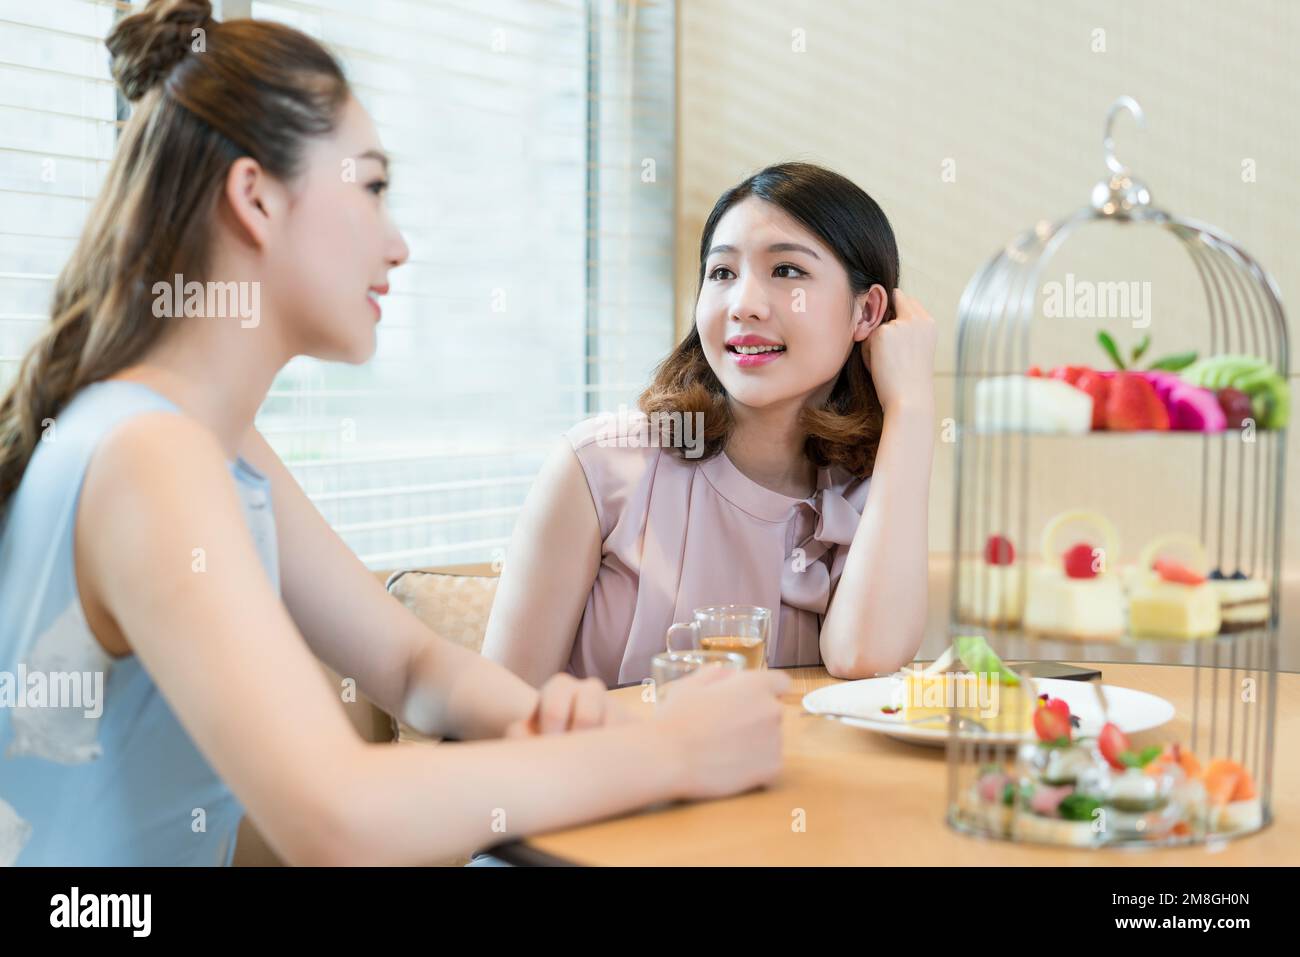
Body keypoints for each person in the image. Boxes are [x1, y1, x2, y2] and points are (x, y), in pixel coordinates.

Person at [0, 0, 786, 867]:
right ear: (255, 199)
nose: (399, 243)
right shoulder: (153, 454)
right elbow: (336, 822)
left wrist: (549, 717)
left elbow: (413, 666)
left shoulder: (203, 436)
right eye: (371, 187)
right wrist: (670, 752)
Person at [483, 163, 937, 688]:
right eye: (722, 273)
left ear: (867, 312)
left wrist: (913, 406)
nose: (743, 305)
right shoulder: (600, 467)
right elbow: (497, 715)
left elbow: (865, 658)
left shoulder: (865, 494)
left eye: (786, 271)